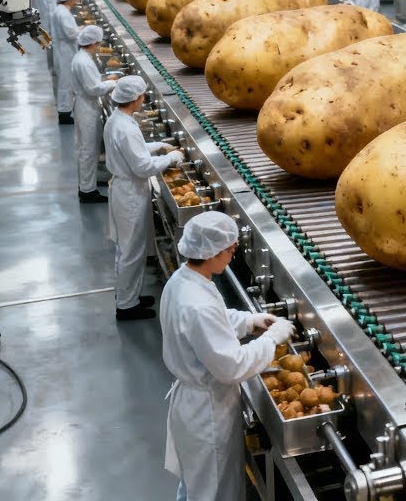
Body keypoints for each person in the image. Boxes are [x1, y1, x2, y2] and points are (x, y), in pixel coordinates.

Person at [160, 212, 295, 501]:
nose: (233, 255)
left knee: (197, 484)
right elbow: (232, 366)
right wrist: (271, 339)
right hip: (207, 413)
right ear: (212, 252)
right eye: (230, 250)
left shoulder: (184, 279)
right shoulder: (197, 304)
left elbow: (210, 323)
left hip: (194, 401)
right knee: (214, 490)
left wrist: (249, 321)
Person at [104, 76, 185, 321]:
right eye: (142, 95)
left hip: (126, 189)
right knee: (131, 250)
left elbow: (134, 149)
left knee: (129, 248)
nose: (144, 98)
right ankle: (127, 306)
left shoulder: (118, 119)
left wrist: (159, 144)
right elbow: (142, 167)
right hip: (130, 193)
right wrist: (172, 159)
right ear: (135, 99)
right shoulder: (126, 127)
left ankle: (129, 296)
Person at [70, 25, 117, 204]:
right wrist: (113, 84)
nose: (99, 46)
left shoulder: (82, 58)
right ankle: (87, 191)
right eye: (98, 43)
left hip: (87, 106)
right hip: (86, 108)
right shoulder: (83, 61)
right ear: (93, 43)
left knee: (89, 149)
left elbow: (93, 83)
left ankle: (88, 182)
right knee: (88, 150)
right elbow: (93, 89)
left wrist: (106, 80)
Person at [51, 0, 82, 125]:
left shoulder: (61, 11)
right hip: (65, 51)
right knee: (66, 82)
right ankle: (64, 113)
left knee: (66, 81)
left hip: (63, 49)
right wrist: (82, 31)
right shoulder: (63, 13)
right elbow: (71, 33)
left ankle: (65, 109)